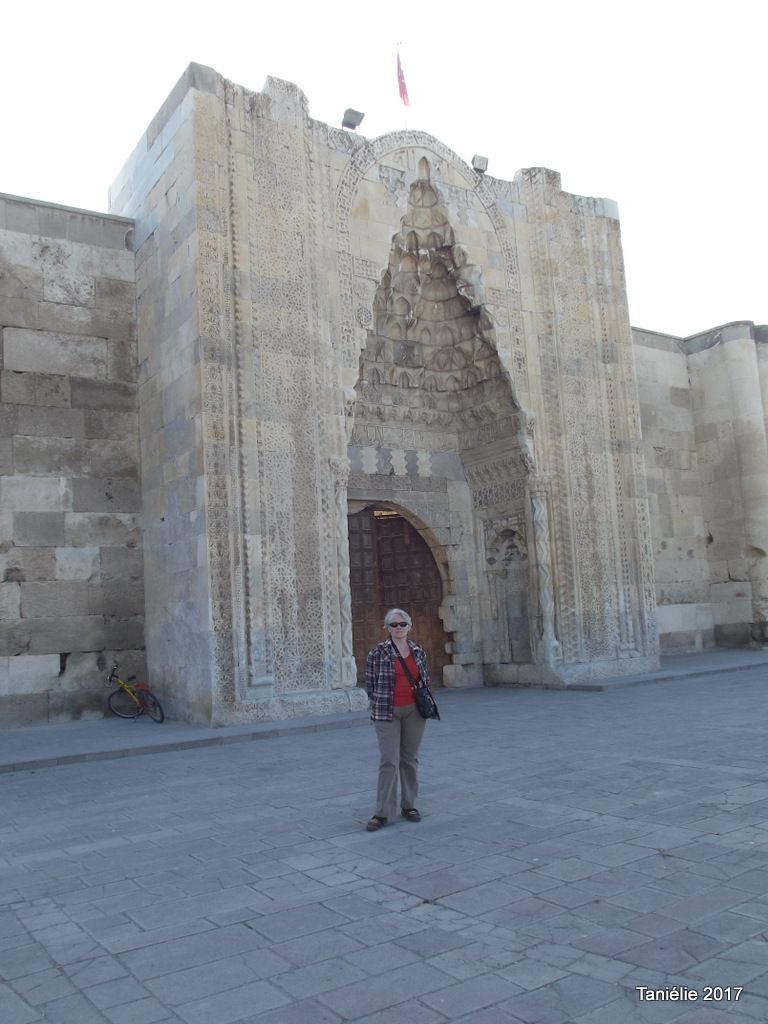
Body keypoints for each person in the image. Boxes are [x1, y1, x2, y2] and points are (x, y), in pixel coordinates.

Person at [364, 607, 431, 831]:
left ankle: (409, 805)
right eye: (394, 625)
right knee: (389, 760)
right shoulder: (378, 653)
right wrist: (380, 702)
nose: (399, 628)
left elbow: (424, 679)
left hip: (414, 711)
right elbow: (370, 683)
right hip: (387, 711)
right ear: (387, 628)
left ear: (409, 627)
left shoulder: (418, 651)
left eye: (402, 624)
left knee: (410, 758)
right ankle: (382, 812)